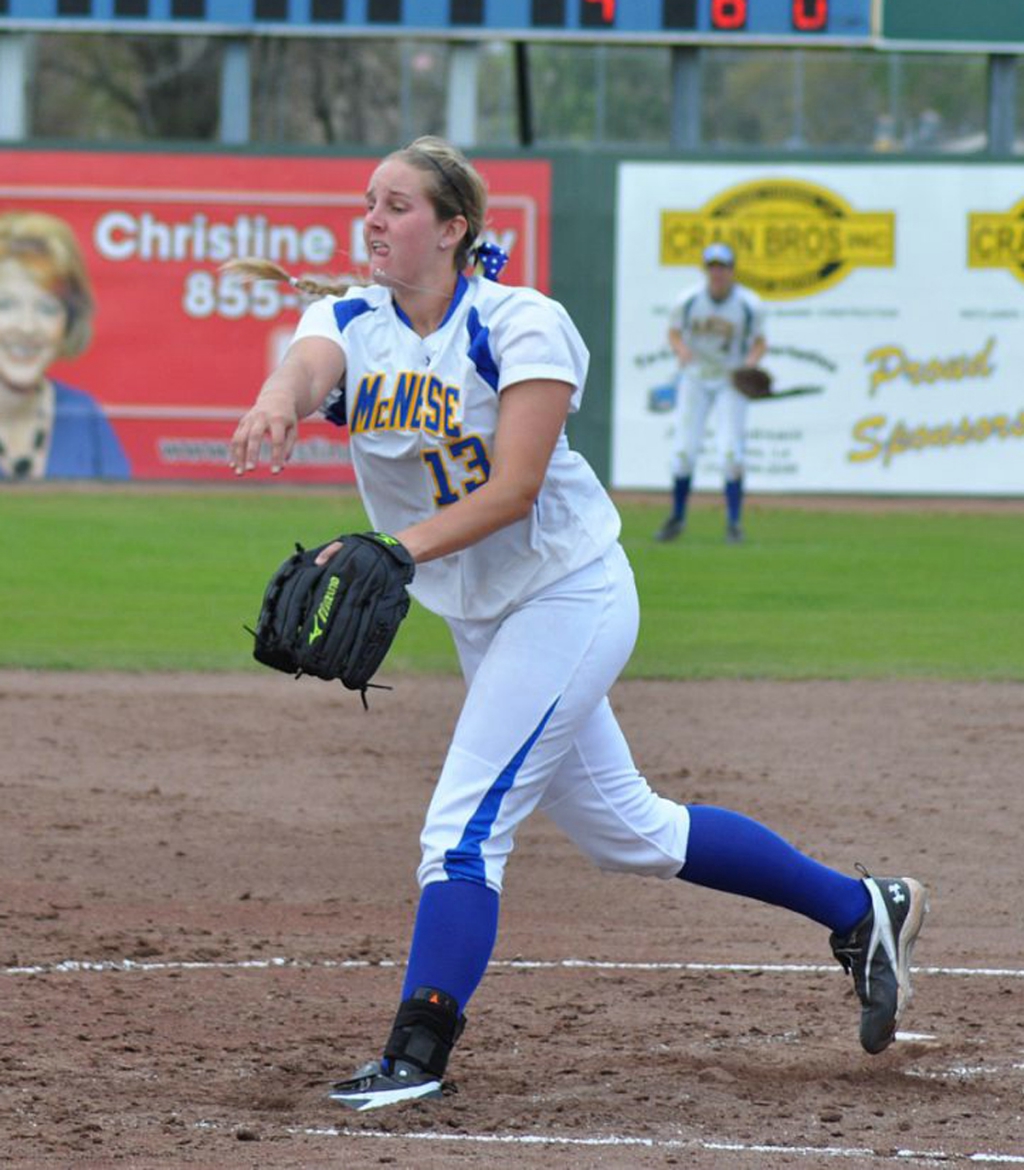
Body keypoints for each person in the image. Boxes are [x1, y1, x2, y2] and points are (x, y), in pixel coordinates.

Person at [228, 136, 927, 1112]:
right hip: (485, 617)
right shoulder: (349, 317)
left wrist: (397, 551)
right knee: (629, 831)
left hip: (569, 595)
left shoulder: (523, 323)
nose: (373, 220)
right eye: (369, 203)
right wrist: (274, 403)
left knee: (461, 833)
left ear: (454, 226)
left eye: (396, 205)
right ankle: (863, 909)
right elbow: (311, 367)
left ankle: (417, 1050)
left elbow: (515, 490)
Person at [0, 210, 130, 480]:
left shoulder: (83, 416)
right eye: (7, 305)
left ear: (68, 321)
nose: (27, 327)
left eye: (47, 308)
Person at [655, 241, 765, 544]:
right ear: (707, 270)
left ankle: (733, 524)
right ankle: (676, 518)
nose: (718, 273)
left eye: (723, 267)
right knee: (683, 452)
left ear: (732, 270)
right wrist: (680, 350)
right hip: (695, 377)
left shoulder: (749, 304)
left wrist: (751, 363)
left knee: (730, 451)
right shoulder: (689, 300)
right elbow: (674, 331)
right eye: (712, 267)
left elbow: (759, 341)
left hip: (731, 379)